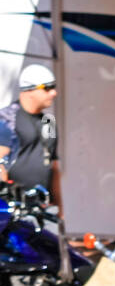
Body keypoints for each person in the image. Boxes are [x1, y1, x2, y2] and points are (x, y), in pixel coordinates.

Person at [0, 63, 60, 205]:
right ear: (29, 90)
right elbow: (0, 163)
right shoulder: (8, 117)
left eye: (54, 87)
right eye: (47, 88)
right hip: (15, 207)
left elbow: (53, 166)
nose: (54, 93)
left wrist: (58, 207)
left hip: (42, 206)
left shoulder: (48, 121)